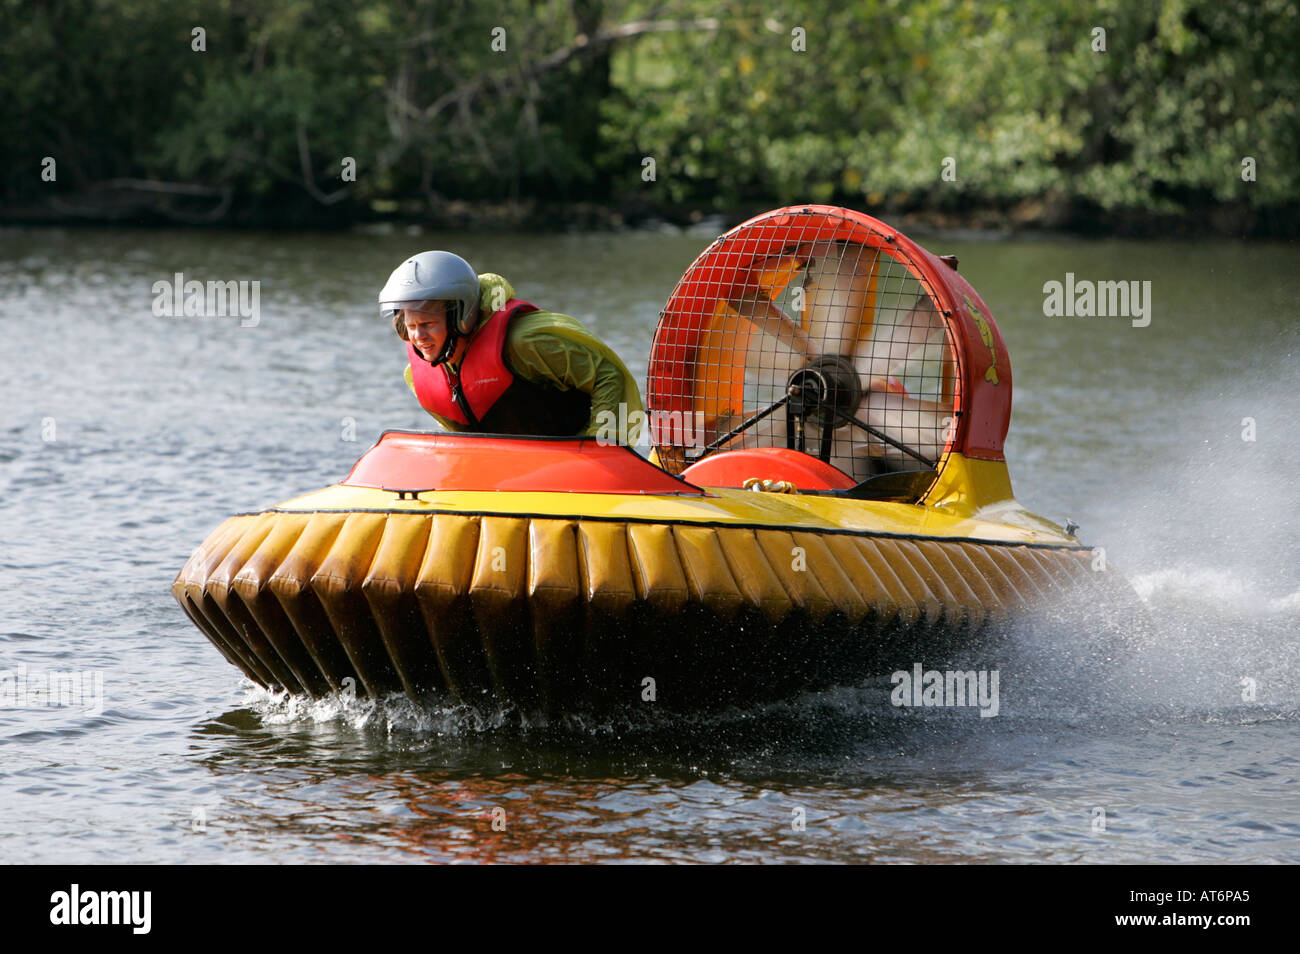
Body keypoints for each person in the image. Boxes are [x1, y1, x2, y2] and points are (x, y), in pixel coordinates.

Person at [380, 251, 644, 442]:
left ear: (460, 314)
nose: (418, 337)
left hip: (575, 463)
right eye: (410, 327)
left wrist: (600, 449)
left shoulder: (526, 340)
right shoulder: (416, 376)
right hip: (511, 476)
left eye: (427, 323)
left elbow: (609, 376)